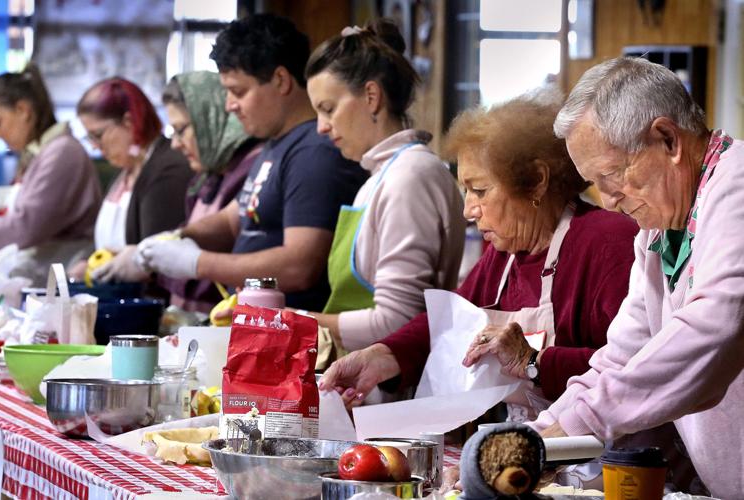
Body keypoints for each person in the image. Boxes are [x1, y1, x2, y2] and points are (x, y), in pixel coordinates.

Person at [319, 90, 639, 424]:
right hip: (535, 446)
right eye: (466, 191)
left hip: (605, 455)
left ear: (536, 182)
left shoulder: (607, 242)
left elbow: (630, 369)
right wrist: (381, 356)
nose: (468, 211)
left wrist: (533, 360)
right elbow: (447, 323)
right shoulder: (505, 256)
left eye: (480, 191)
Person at [531, 57, 744, 498]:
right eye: (595, 183)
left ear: (667, 139)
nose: (608, 201)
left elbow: (714, 326)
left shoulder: (737, 185)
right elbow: (621, 358)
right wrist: (533, 439)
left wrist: (575, 426)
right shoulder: (655, 234)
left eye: (612, 175)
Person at [138, 14, 367, 311]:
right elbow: (233, 219)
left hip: (294, 337)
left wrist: (197, 263)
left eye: (238, 91)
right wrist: (177, 237)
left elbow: (300, 266)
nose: (229, 105)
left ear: (281, 80)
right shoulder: (274, 145)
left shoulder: (314, 152)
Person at [303, 19, 465, 360]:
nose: (321, 127)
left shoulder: (410, 176)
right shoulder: (381, 176)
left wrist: (296, 322)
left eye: (328, 109)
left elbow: (398, 321)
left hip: (397, 389)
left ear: (371, 96)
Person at [91, 71, 263, 313]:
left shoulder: (247, 170)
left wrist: (154, 264)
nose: (175, 143)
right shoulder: (206, 178)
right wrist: (153, 253)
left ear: (209, 120)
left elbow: (228, 266)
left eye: (182, 130)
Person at [0, 63, 102, 284]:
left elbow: (28, 226)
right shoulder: (39, 155)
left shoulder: (62, 153)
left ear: (23, 110)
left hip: (62, 279)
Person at [72, 77, 193, 283]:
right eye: (89, 138)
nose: (94, 146)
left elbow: (160, 261)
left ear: (128, 123)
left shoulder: (167, 169)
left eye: (97, 135)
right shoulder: (127, 172)